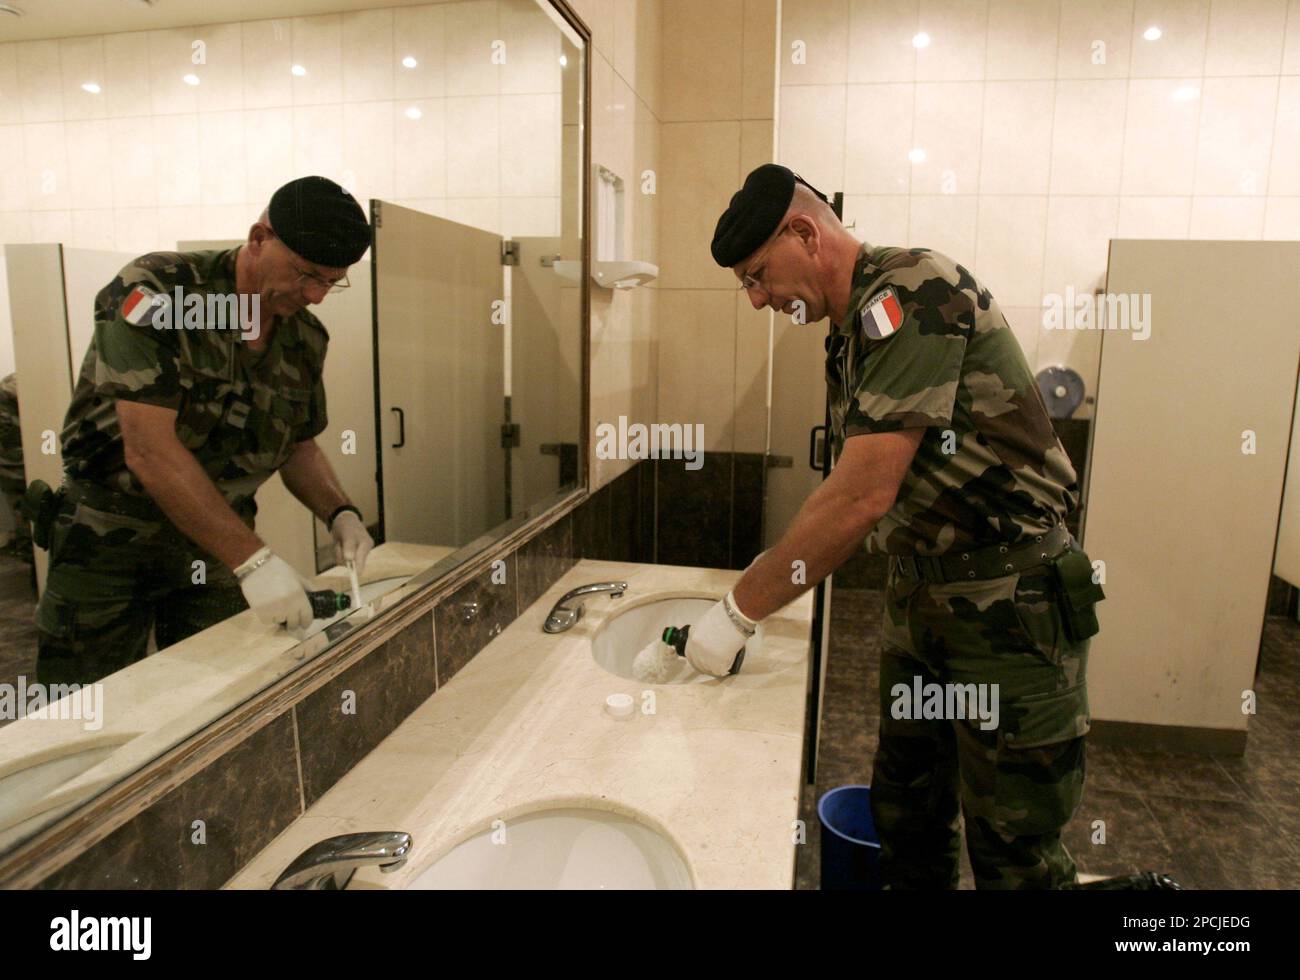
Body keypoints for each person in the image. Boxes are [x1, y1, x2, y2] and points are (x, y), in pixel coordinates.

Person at [683, 163, 1100, 889]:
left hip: (1013, 607)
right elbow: (852, 484)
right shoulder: (852, 330)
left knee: (1015, 856)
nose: (757, 301)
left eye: (757, 276)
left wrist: (741, 608)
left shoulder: (913, 291)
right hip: (923, 605)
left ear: (805, 233)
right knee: (907, 823)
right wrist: (780, 561)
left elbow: (861, 497)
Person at [34, 176, 375, 686]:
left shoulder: (303, 335)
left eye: (332, 281)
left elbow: (297, 442)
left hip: (213, 545)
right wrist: (255, 561)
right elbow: (149, 450)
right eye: (306, 275)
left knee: (218, 694)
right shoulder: (158, 291)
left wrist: (340, 511)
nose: (316, 296)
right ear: (260, 238)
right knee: (81, 708)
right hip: (107, 543)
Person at [0, 373, 33, 563]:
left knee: (24, 510)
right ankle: (28, 549)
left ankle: (28, 548)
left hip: (23, 464)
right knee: (21, 510)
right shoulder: (7, 406)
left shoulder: (21, 401)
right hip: (11, 467)